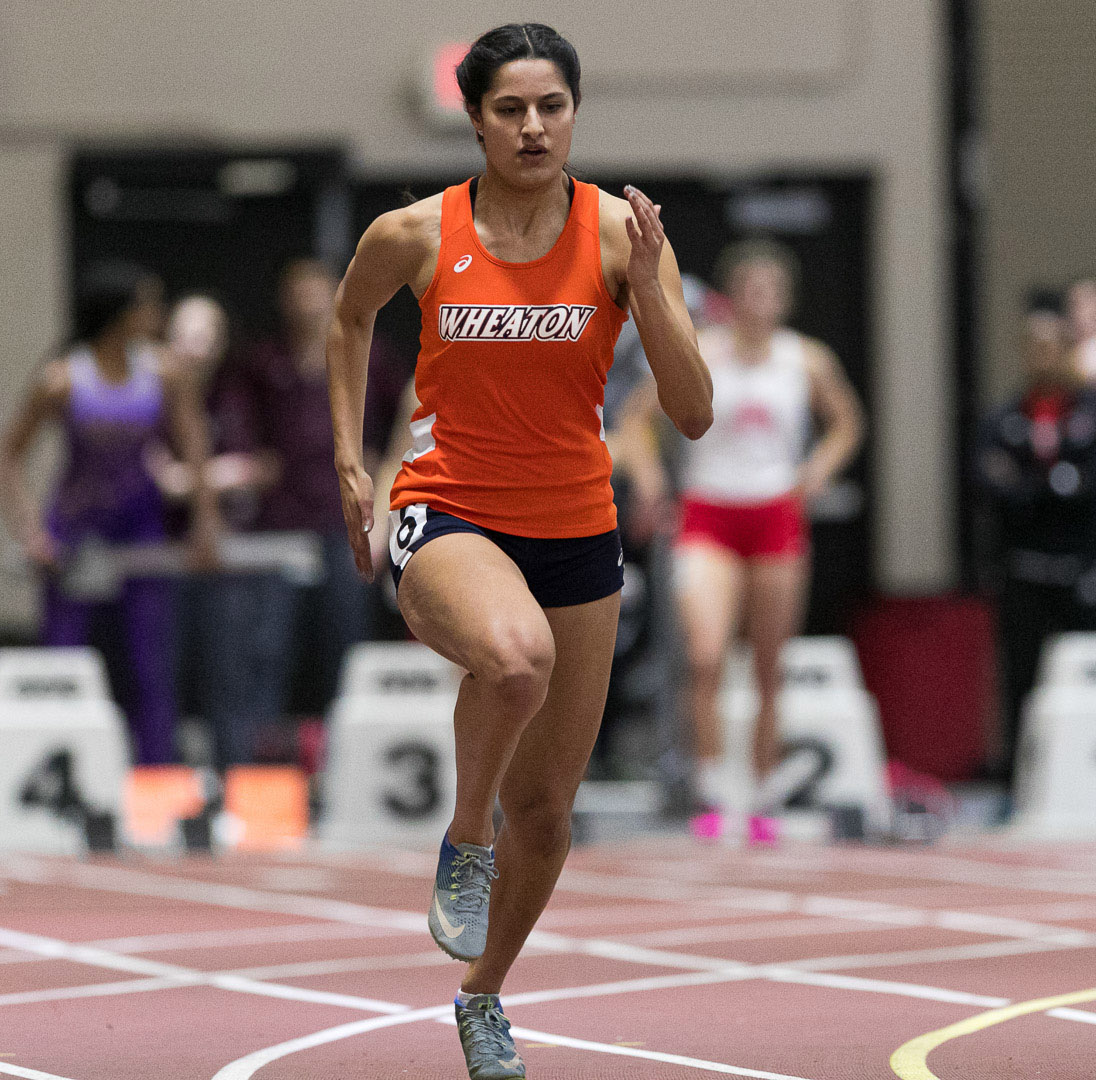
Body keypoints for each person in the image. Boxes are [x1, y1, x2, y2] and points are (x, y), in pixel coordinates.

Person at [327, 24, 711, 1080]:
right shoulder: (415, 232)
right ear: (477, 120)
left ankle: (482, 994)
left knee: (548, 816)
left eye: (551, 107)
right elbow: (348, 318)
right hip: (449, 511)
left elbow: (693, 412)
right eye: (510, 109)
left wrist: (653, 286)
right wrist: (352, 464)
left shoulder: (625, 238)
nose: (533, 127)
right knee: (513, 659)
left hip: (577, 528)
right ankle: (464, 835)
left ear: (575, 113)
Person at [617, 239, 862, 841]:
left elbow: (849, 422)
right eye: (749, 289)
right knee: (705, 657)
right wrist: (650, 481)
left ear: (785, 299)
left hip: (776, 513)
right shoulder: (704, 350)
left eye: (770, 290)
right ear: (731, 299)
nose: (760, 301)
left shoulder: (805, 359)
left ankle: (762, 794)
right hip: (707, 514)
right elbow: (632, 420)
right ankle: (710, 787)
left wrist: (817, 473)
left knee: (770, 665)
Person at [0, 260, 219, 766]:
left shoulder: (163, 373)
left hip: (140, 530)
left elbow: (195, 446)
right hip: (74, 533)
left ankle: (154, 778)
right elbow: (8, 458)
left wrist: (206, 524)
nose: (158, 315)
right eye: (148, 305)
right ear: (121, 313)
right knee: (65, 664)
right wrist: (31, 533)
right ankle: (63, 776)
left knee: (148, 666)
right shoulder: (63, 379)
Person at [204, 260, 406, 764]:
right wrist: (249, 467)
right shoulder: (263, 363)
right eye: (299, 296)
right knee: (266, 647)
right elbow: (234, 424)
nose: (309, 307)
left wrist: (383, 503)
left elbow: (405, 414)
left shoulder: (369, 358)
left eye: (319, 295)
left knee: (345, 642)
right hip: (279, 528)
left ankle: (347, 758)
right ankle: (255, 763)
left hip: (348, 524)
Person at [973, 289, 1096, 779]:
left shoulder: (1092, 416)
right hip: (1022, 570)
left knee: (1084, 678)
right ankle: (1021, 778)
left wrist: (1033, 485)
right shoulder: (1003, 418)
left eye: (1051, 345)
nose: (1042, 356)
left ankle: (1085, 778)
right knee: (1020, 681)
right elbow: (992, 486)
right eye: (1032, 346)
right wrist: (1051, 484)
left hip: (1079, 570)